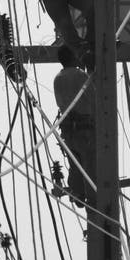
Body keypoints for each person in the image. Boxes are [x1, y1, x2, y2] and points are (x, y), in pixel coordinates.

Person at [53, 45, 95, 207]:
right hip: (85, 128)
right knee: (90, 164)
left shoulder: (58, 78)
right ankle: (93, 197)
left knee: (75, 165)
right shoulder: (80, 75)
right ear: (72, 57)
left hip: (68, 130)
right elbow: (94, 97)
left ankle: (78, 193)